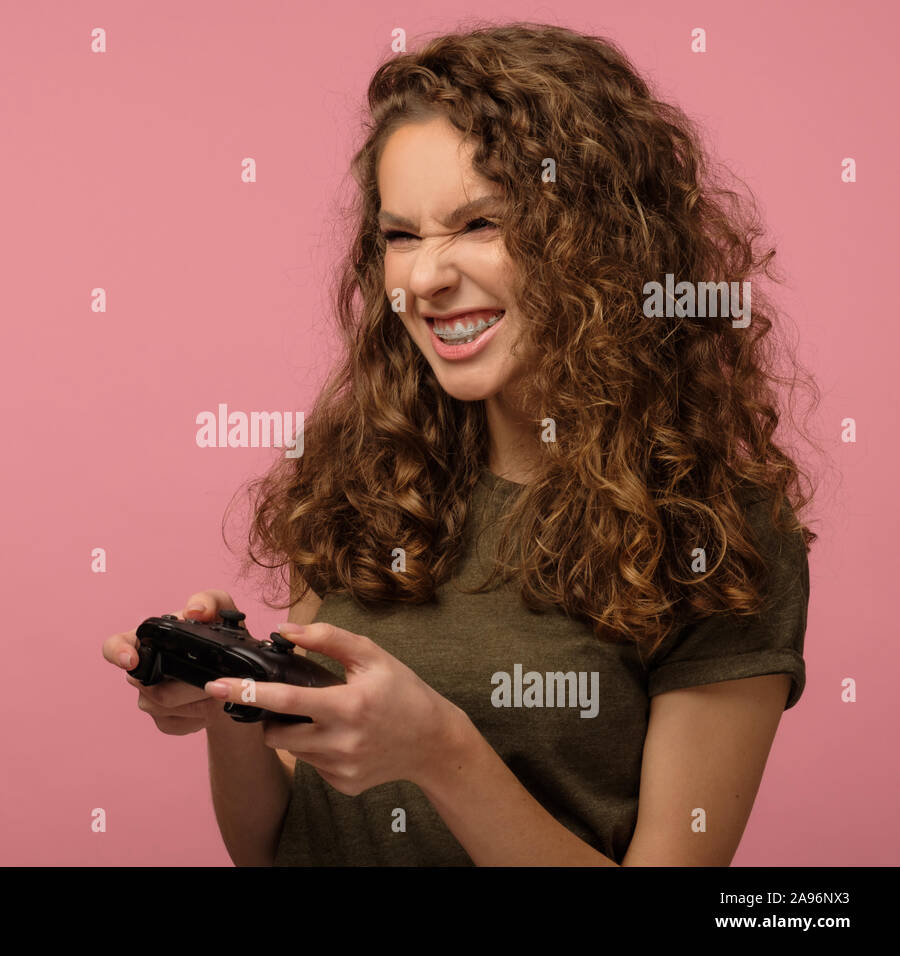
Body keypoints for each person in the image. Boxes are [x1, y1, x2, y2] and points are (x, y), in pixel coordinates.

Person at [102, 22, 819, 866]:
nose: (424, 278)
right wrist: (235, 701)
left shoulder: (718, 538)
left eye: (480, 222)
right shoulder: (357, 480)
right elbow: (276, 845)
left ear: (602, 239)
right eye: (401, 236)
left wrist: (443, 756)